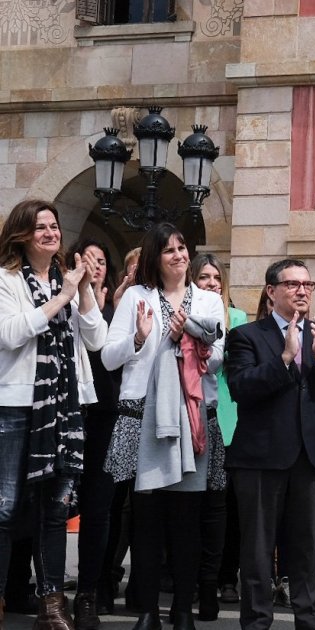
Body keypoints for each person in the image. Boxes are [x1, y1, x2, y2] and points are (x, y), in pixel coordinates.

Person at [101, 223, 226, 630]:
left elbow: (219, 355)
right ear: (155, 258)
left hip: (193, 417)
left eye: (182, 247)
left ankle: (183, 610)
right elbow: (108, 357)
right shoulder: (137, 297)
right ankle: (149, 609)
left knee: (188, 518)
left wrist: (188, 331)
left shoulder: (207, 299)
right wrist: (138, 338)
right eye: (169, 250)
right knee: (147, 518)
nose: (179, 255)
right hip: (144, 414)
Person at [225, 258, 315, 630]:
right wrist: (284, 359)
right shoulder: (248, 336)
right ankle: (256, 621)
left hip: (312, 457)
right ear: (271, 291)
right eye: (293, 284)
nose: (302, 291)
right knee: (256, 550)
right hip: (260, 459)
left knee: (306, 548)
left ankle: (308, 619)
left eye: (307, 285)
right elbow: (241, 388)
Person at [0, 200, 106, 630]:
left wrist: (80, 291)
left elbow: (96, 340)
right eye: (40, 227)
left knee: (55, 510)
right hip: (15, 405)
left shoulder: (68, 280)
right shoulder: (6, 280)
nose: (50, 232)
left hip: (64, 408)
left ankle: (51, 605)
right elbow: (10, 335)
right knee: (4, 509)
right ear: (22, 235)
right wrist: (60, 296)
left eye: (54, 226)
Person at [187, 253, 248, 621]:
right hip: (192, 417)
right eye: (204, 277)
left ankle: (224, 577)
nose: (211, 283)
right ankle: (191, 577)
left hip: (228, 419)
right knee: (192, 506)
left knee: (225, 509)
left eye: (216, 278)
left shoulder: (237, 319)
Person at [69, 238, 121, 630]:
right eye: (89, 258)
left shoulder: (117, 309)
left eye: (101, 260)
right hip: (66, 412)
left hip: (106, 416)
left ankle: (90, 590)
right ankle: (35, 587)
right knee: (51, 505)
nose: (96, 265)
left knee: (99, 509)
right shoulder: (65, 296)